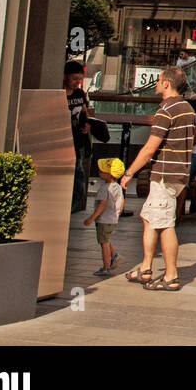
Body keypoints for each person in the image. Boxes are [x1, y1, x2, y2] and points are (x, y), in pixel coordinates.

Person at [119, 66, 196, 291]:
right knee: (148, 217)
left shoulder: (166, 110)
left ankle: (171, 276)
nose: (156, 82)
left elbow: (149, 148)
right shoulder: (187, 108)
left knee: (164, 225)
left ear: (166, 83)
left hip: (164, 174)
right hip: (179, 173)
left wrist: (129, 172)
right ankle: (145, 267)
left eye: (159, 79)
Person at [84, 157, 125, 276]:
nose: (99, 172)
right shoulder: (117, 187)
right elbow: (122, 202)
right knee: (106, 239)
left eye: (102, 171)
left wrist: (91, 218)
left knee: (104, 243)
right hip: (112, 219)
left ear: (109, 174)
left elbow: (102, 205)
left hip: (104, 220)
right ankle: (115, 255)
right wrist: (117, 214)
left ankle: (106, 267)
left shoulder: (104, 188)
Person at [65, 60, 94, 213]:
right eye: (74, 78)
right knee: (75, 178)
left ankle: (71, 207)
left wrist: (86, 124)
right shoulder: (60, 94)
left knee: (79, 181)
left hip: (76, 141)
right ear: (65, 76)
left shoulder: (79, 94)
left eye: (79, 79)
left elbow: (84, 113)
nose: (77, 82)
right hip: (63, 141)